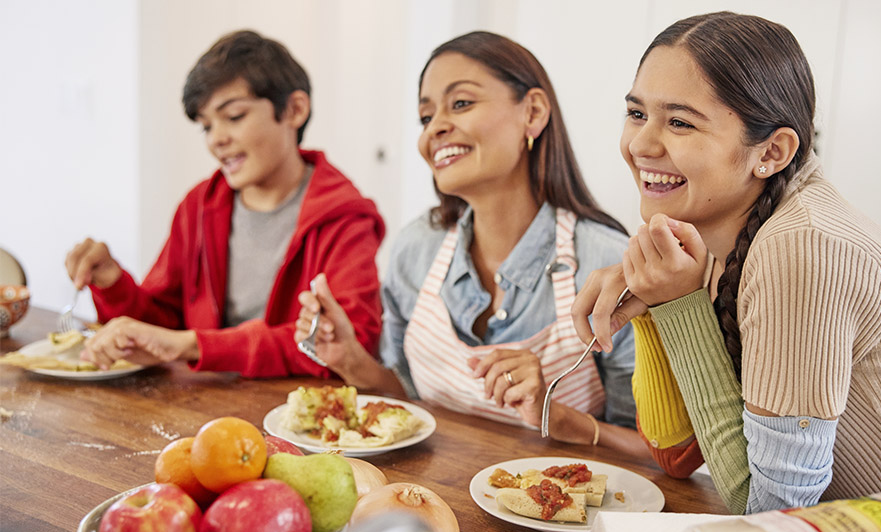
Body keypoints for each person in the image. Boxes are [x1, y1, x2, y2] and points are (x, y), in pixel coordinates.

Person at [571, 12, 881, 514]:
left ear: (773, 151)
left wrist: (677, 303)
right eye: (636, 114)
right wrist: (654, 304)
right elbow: (677, 457)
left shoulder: (802, 246)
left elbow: (768, 510)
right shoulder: (725, 233)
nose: (641, 146)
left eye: (679, 122)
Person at [295, 31, 645, 454]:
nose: (435, 128)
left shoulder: (607, 262)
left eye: (460, 103)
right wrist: (350, 359)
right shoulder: (416, 248)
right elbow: (405, 400)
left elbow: (661, 455)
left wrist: (560, 417)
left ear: (532, 113)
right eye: (426, 117)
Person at [65, 30, 385, 378]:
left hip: (297, 418)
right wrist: (113, 284)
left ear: (295, 110)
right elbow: (160, 330)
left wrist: (194, 345)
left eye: (234, 117)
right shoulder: (199, 206)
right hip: (206, 407)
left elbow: (349, 347)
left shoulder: (344, 218)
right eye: (206, 126)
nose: (216, 140)